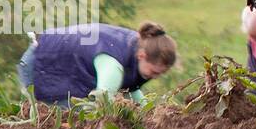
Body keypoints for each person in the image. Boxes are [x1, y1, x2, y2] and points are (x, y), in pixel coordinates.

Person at [16, 21, 177, 106]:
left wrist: (148, 111)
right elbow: (102, 102)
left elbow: (129, 89)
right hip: (40, 62)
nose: (156, 77)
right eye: (155, 72)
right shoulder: (113, 65)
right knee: (68, 116)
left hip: (57, 60)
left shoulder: (138, 47)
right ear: (142, 55)